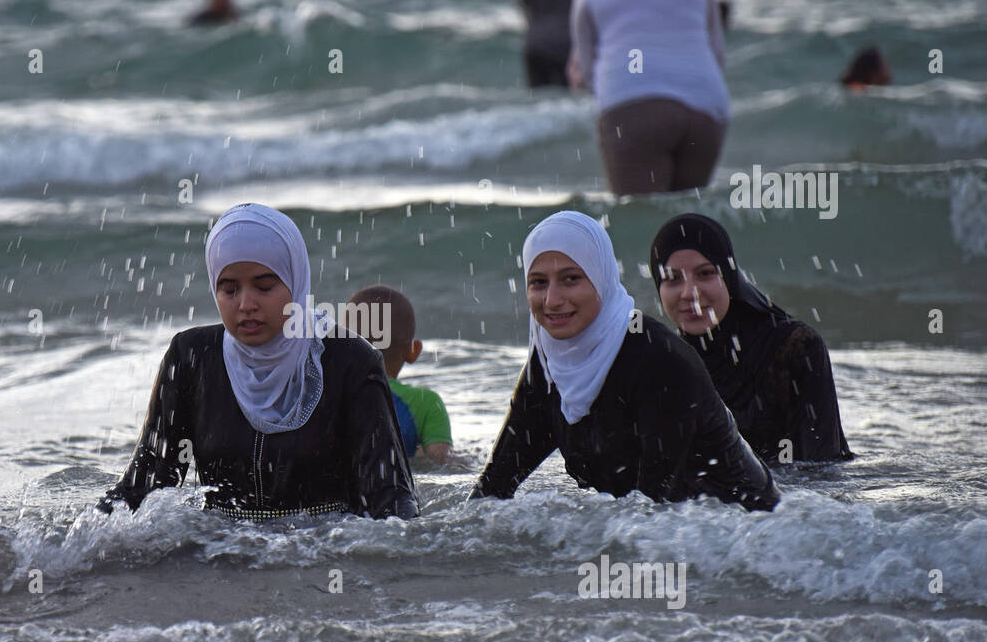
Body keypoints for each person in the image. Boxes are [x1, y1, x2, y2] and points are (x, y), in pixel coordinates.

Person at [98, 203, 419, 521]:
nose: (246, 304)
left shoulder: (350, 360)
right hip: (218, 555)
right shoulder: (190, 356)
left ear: (295, 280)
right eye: (229, 289)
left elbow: (390, 502)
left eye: (264, 286)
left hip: (318, 556)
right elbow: (146, 487)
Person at [469, 211, 778, 511]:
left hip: (752, 536)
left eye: (571, 279)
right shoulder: (548, 365)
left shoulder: (660, 361)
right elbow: (491, 492)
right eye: (538, 283)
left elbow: (653, 509)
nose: (552, 300)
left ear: (601, 278)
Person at [650, 213, 853, 465]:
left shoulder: (796, 347)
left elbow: (822, 468)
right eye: (672, 279)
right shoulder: (665, 366)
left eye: (705, 274)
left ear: (729, 277)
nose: (689, 293)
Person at [566, 0, 729, 195]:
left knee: (641, 219)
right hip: (706, 108)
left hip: (631, 105)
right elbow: (717, 53)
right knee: (686, 219)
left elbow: (585, 66)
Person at [344, 285, 452, 464]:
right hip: (398, 486)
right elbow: (441, 461)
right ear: (413, 350)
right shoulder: (427, 402)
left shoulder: (329, 394)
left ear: (344, 346)